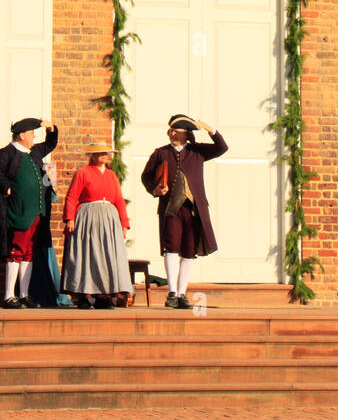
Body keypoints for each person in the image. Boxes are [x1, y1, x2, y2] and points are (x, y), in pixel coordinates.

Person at [141, 114, 227, 309]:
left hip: (193, 210)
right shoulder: (160, 153)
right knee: (170, 247)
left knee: (188, 250)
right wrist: (155, 190)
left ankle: (182, 293)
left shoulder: (197, 152)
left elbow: (222, 148)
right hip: (171, 209)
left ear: (186, 134)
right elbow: (146, 176)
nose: (172, 134)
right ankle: (171, 292)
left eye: (176, 131)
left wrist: (210, 129)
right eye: (171, 131)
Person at [0, 117, 58, 309]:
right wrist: (6, 187)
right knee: (16, 253)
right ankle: (9, 296)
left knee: (28, 253)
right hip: (19, 211)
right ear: (21, 135)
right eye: (30, 133)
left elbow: (51, 143)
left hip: (36, 211)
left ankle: (24, 294)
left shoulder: (34, 151)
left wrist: (51, 129)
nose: (34, 136)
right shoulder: (8, 152)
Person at [62, 145, 131, 309]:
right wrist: (69, 218)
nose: (104, 155)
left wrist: (124, 223)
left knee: (106, 256)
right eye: (100, 153)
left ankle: (103, 296)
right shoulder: (83, 173)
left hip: (108, 220)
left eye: (106, 153)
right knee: (87, 256)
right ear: (92, 156)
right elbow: (72, 197)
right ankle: (85, 295)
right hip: (88, 219)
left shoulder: (112, 175)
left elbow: (119, 200)